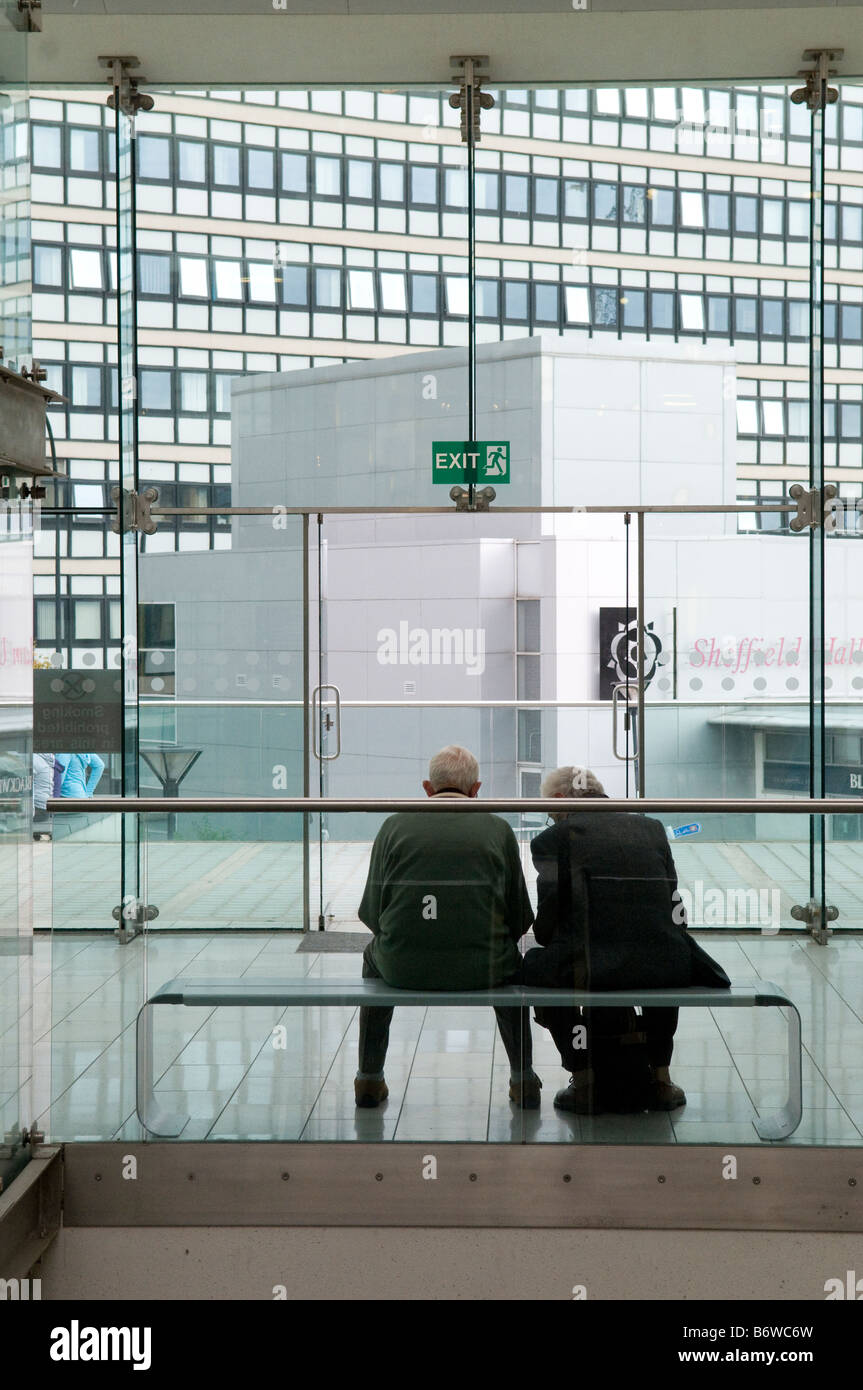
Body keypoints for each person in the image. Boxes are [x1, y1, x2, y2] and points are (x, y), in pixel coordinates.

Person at [523, 765, 729, 1116]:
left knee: (535, 963)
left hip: (591, 969)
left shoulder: (552, 840)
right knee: (657, 944)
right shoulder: (651, 829)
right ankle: (661, 1079)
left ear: (559, 800)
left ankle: (584, 1078)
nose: (550, 819)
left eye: (549, 812)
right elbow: (671, 902)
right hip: (664, 966)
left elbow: (546, 927)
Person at [355, 744, 540, 1109]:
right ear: (476, 789)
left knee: (371, 959)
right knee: (511, 966)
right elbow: (520, 917)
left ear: (427, 788)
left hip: (402, 968)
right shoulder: (498, 828)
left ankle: (369, 1080)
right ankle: (523, 1081)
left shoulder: (393, 825)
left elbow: (372, 914)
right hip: (485, 967)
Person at [32, 752, 56, 840]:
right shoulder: (44, 760)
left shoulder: (34, 759)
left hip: (39, 809)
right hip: (45, 807)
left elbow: (29, 790)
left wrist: (29, 814)